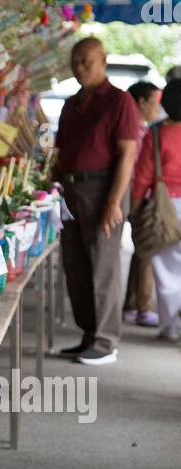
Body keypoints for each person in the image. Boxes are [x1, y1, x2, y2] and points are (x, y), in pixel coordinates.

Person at [54, 37, 140, 364]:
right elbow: (61, 153)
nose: (80, 68)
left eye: (86, 61)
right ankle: (88, 334)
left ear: (103, 61)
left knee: (103, 267)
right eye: (75, 61)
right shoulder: (71, 104)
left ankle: (105, 342)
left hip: (103, 190)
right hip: (70, 191)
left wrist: (113, 202)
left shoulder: (119, 101)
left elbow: (127, 155)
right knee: (75, 268)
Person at [130, 77, 181, 341]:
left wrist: (135, 210)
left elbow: (142, 177)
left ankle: (172, 327)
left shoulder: (157, 134)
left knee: (166, 271)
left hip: (165, 209)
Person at [122, 81, 162, 327]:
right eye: (154, 102)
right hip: (137, 197)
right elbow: (139, 172)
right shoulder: (136, 133)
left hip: (134, 197)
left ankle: (132, 304)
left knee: (142, 253)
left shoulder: (140, 130)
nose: (157, 108)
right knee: (147, 252)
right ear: (141, 102)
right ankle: (143, 307)